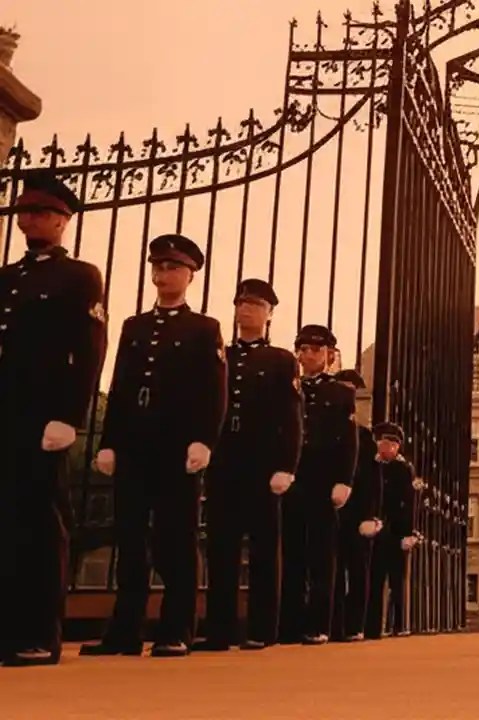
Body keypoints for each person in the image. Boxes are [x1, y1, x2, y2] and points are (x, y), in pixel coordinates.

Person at [82, 234, 227, 658]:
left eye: (173, 268)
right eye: (159, 267)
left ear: (190, 275)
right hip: (135, 443)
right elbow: (121, 385)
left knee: (176, 537)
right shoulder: (135, 326)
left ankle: (176, 629)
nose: (164, 275)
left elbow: (214, 391)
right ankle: (124, 631)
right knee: (129, 537)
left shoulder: (204, 328)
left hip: (176, 445)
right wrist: (109, 441)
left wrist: (204, 439)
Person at [0, 170, 107, 667]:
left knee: (41, 523)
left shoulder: (79, 276)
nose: (28, 220)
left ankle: (40, 633)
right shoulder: (7, 278)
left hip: (41, 415)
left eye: (40, 212)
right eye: (24, 212)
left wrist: (69, 415)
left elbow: (89, 350)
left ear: (63, 220)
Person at [195, 279, 302, 653]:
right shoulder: (220, 355)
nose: (246, 310)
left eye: (255, 305)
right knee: (220, 546)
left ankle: (262, 628)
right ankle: (219, 629)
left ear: (269, 313)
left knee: (263, 548)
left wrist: (286, 465)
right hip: (225, 459)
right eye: (241, 303)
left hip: (262, 461)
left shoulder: (281, 360)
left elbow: (291, 418)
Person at [279, 324, 358, 645]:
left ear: (329, 354)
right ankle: (288, 624)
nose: (308, 355)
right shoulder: (286, 388)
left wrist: (343, 480)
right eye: (304, 349)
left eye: (316, 349)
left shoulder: (340, 393)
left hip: (322, 478)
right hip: (291, 476)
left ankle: (318, 623)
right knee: (291, 553)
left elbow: (348, 442)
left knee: (322, 555)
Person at [331, 369, 383, 642]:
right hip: (332, 510)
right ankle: (334, 623)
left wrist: (370, 516)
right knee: (332, 570)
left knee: (357, 570)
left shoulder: (365, 438)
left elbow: (373, 482)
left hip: (357, 512)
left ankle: (354, 624)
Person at [364, 422, 417, 640]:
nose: (386, 448)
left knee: (397, 581)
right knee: (375, 580)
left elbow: (410, 504)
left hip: (396, 531)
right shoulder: (374, 466)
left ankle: (399, 624)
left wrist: (409, 533)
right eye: (383, 443)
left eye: (390, 444)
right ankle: (373, 626)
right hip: (378, 531)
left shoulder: (403, 470)